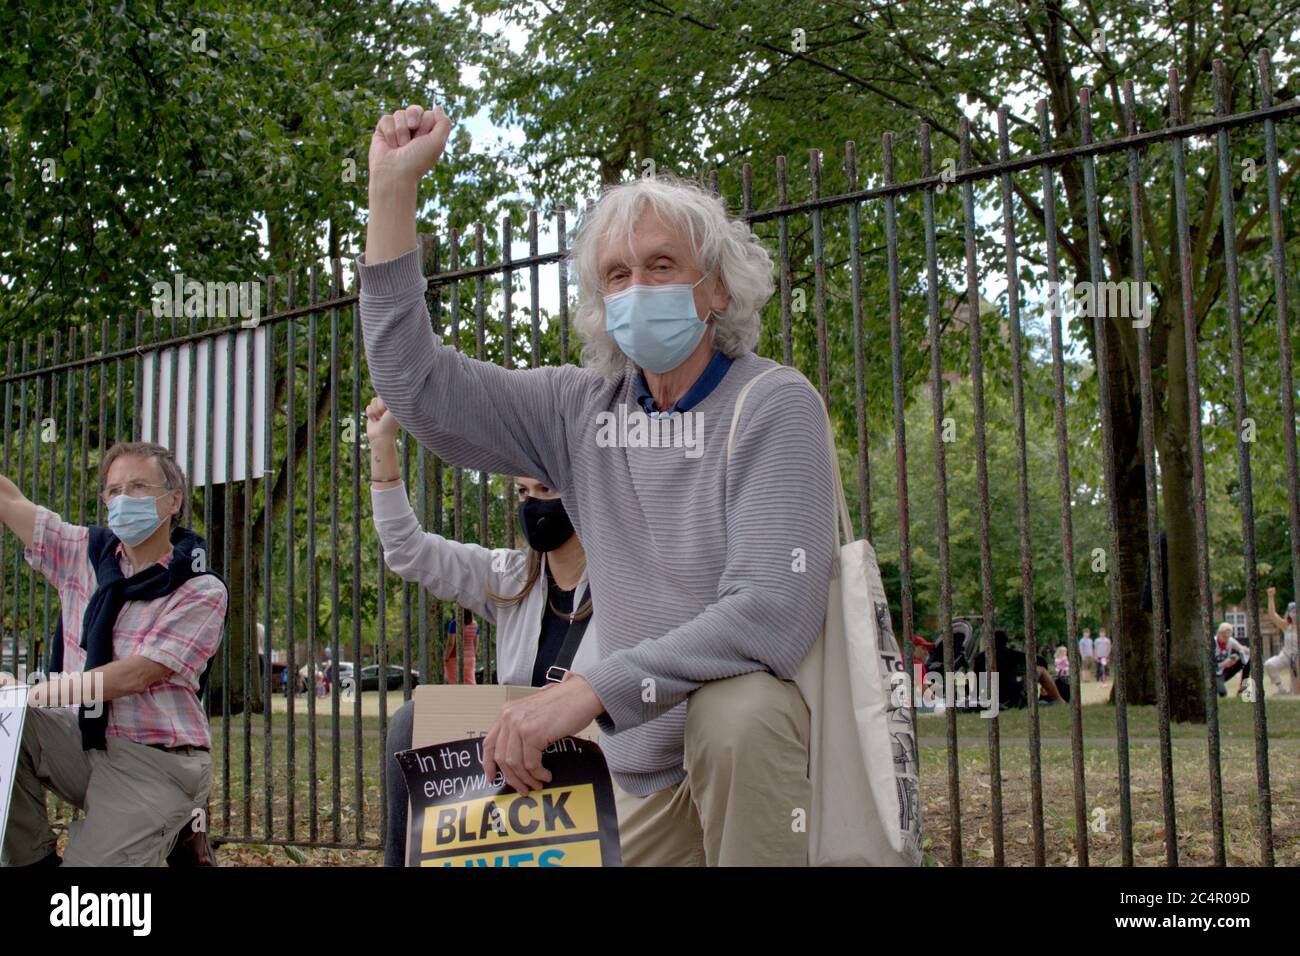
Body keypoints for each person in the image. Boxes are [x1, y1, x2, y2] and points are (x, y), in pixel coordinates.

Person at [360, 105, 835, 866]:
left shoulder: (774, 403)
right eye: (618, 274)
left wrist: (588, 689)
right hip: (619, 774)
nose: (637, 286)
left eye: (662, 265)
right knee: (424, 727)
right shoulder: (579, 408)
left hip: (734, 771)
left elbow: (772, 611)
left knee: (736, 710)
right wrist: (391, 191)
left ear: (715, 289)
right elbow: (418, 387)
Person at [367, 396, 599, 867]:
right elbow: (407, 550)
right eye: (522, 493)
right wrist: (383, 444)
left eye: (546, 491)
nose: (533, 505)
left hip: (590, 781)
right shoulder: (511, 578)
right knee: (408, 721)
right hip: (508, 775)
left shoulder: (627, 590)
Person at [0, 441, 227, 867]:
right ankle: (32, 860)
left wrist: (35, 692)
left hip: (155, 760)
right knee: (2, 719)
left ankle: (176, 816)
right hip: (87, 743)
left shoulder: (200, 588)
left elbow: (135, 676)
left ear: (173, 500)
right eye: (114, 490)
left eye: (139, 487)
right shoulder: (83, 553)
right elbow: (8, 500)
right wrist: (14, 702)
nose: (124, 500)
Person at [970, 630, 1064, 709]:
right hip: (1011, 699)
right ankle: (1059, 700)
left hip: (986, 699)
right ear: (1006, 641)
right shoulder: (1011, 654)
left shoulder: (979, 658)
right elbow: (1040, 660)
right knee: (1040, 669)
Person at [1263, 588, 1298, 696]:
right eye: (1292, 612)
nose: (1295, 614)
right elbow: (1272, 615)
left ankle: (1293, 689)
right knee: (1270, 664)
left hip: (1298, 659)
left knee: (1295, 691)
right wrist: (1270, 597)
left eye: (1297, 611)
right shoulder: (1286, 626)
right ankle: (1281, 689)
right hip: (1286, 655)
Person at [1212, 622, 1250, 698]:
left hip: (1225, 670)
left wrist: (1245, 651)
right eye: (1224, 637)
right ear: (1218, 634)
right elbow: (1210, 666)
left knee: (1246, 659)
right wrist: (1225, 663)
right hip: (1215, 673)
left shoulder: (1230, 641)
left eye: (1228, 637)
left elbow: (1241, 648)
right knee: (1223, 693)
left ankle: (1243, 687)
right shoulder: (1213, 643)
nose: (1226, 640)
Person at [444, 609, 477, 685]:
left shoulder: (454, 624)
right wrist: (473, 655)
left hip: (454, 657)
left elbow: (451, 643)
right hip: (470, 658)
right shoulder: (475, 624)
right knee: (470, 682)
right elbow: (475, 643)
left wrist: (446, 657)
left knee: (454, 682)